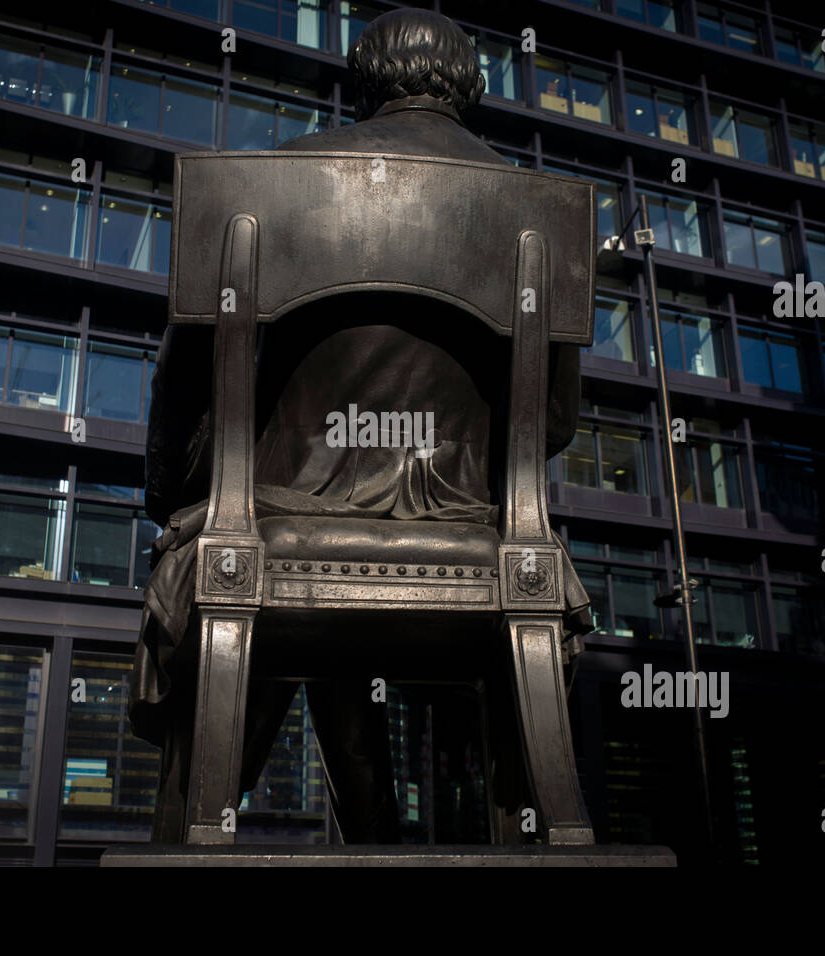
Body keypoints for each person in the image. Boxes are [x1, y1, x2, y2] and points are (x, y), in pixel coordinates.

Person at [131, 8, 590, 843]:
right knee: (330, 644)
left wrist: (176, 495)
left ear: (363, 82)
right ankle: (412, 832)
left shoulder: (265, 184)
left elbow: (182, 389)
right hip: (473, 539)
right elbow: (554, 424)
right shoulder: (544, 212)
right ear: (472, 87)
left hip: (270, 523)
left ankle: (191, 832)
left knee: (279, 593)